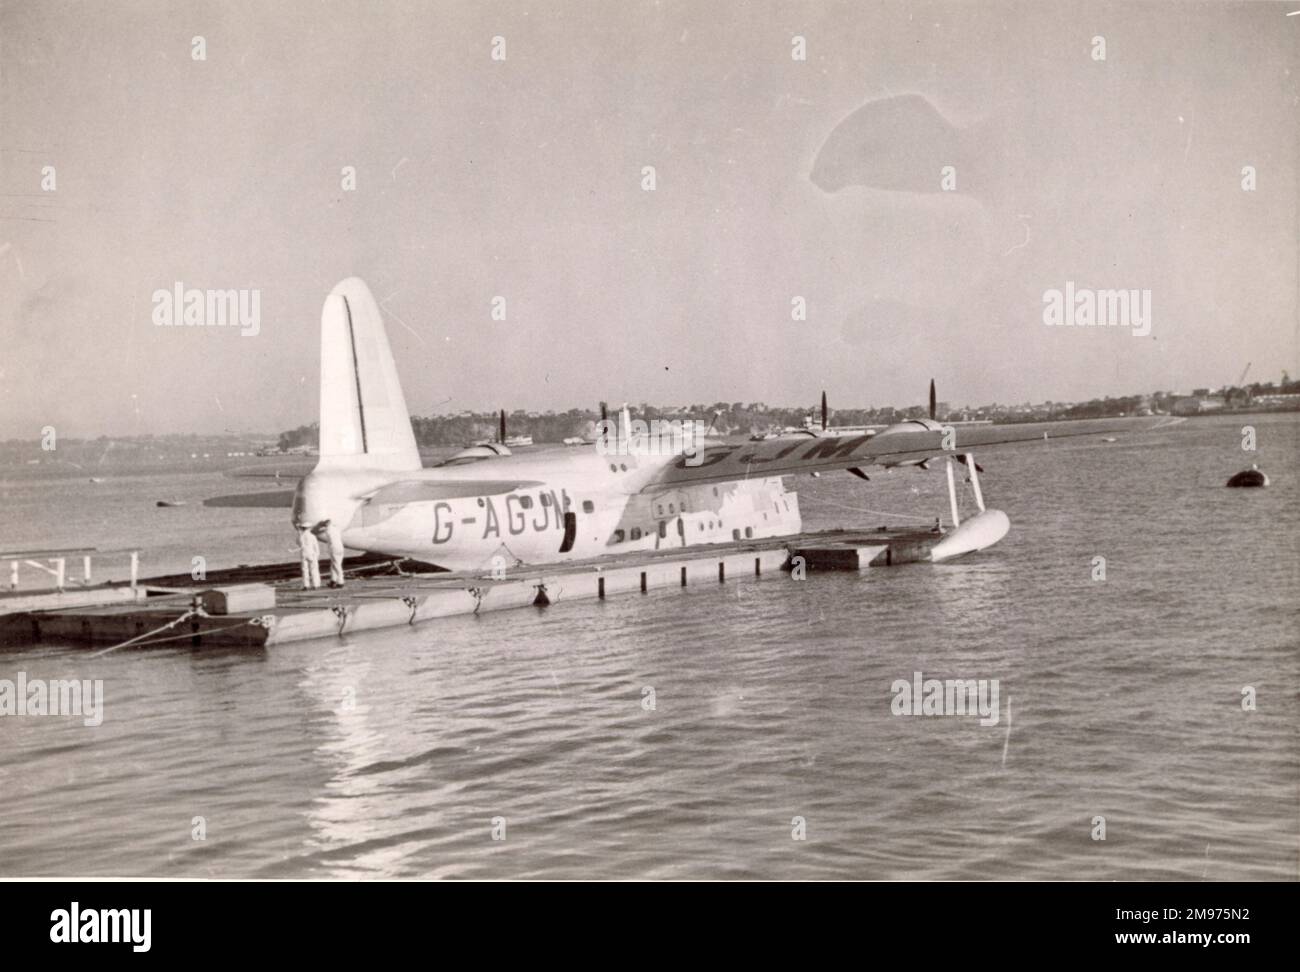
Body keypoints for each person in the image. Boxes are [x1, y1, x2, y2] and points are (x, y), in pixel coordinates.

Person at [317, 519, 345, 588]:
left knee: (336, 565)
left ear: (326, 525)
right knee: (334, 565)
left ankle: (341, 581)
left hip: (334, 548)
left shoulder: (328, 530)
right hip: (340, 547)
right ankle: (333, 580)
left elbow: (319, 531)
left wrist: (319, 525)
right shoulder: (336, 529)